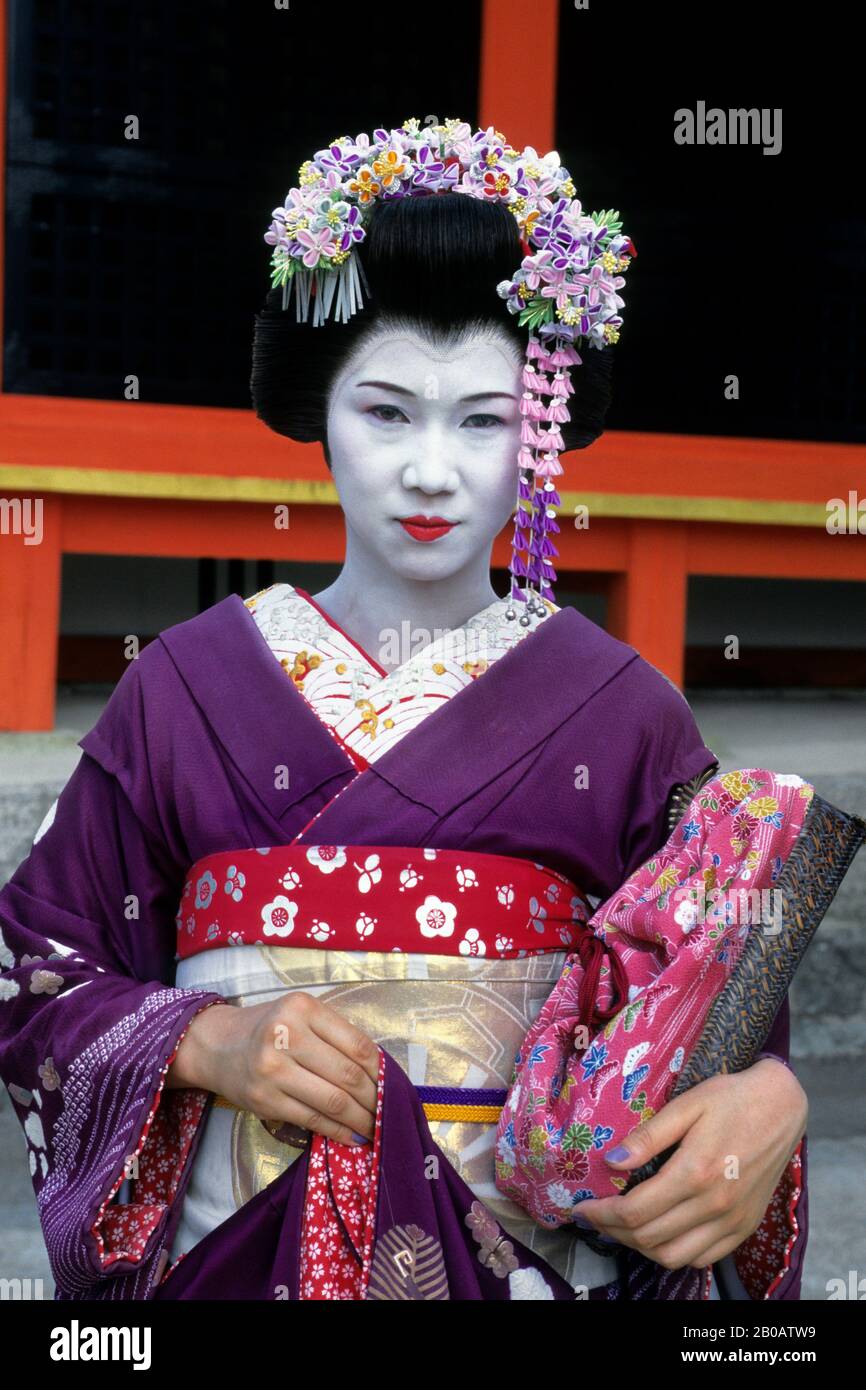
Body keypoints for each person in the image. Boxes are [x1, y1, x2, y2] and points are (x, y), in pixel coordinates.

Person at [0, 120, 862, 1302]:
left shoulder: (624, 714)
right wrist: (205, 1040)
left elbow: (709, 1029)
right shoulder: (183, 688)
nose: (430, 471)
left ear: (540, 434)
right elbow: (33, 964)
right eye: (386, 410)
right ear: (318, 412)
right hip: (234, 1267)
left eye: (483, 420)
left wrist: (767, 1099)